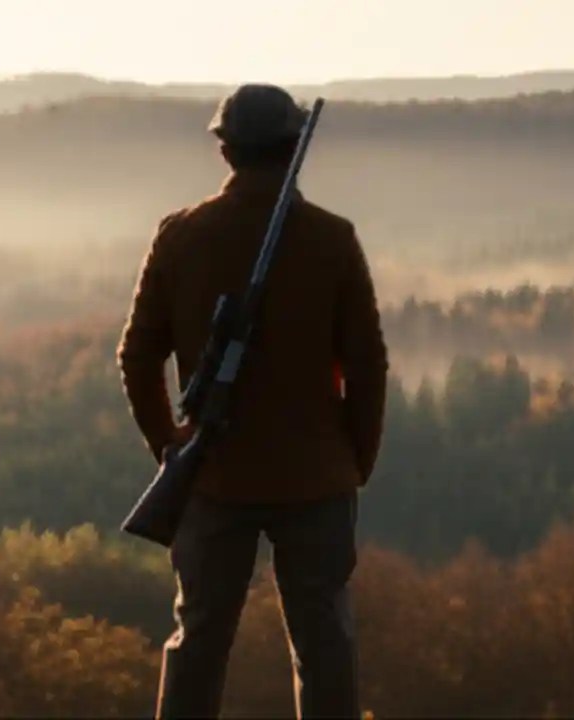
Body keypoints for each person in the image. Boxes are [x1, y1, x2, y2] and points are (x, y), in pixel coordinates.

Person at [117, 84, 389, 719]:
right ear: (294, 147)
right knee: (325, 646)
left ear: (225, 150)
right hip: (316, 477)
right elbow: (367, 365)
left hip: (213, 477)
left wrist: (171, 446)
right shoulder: (332, 238)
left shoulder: (180, 236)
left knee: (198, 643)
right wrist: (355, 460)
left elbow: (137, 356)